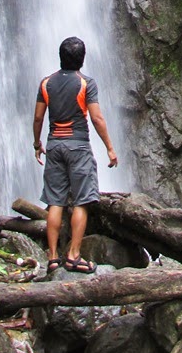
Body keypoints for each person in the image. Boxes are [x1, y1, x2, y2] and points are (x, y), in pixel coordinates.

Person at [32, 36, 118, 275]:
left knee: (55, 201)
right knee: (81, 201)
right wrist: (110, 148)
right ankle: (73, 256)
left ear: (60, 56)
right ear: (82, 59)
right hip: (78, 146)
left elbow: (38, 117)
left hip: (54, 145)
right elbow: (97, 118)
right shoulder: (86, 83)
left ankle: (52, 257)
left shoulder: (46, 83)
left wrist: (37, 143)